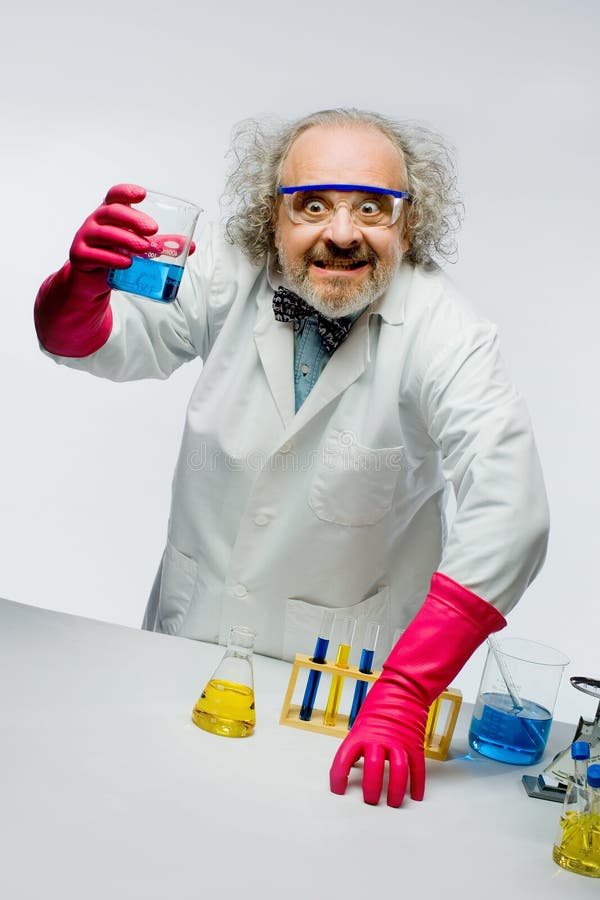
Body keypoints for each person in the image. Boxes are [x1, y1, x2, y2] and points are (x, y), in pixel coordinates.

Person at [34, 108, 549, 808]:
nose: (341, 233)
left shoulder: (445, 330)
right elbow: (103, 343)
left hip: (337, 703)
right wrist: (77, 285)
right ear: (270, 217)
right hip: (184, 650)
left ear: (409, 222)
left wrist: (406, 691)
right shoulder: (225, 269)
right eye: (311, 205)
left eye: (372, 207)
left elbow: (511, 513)